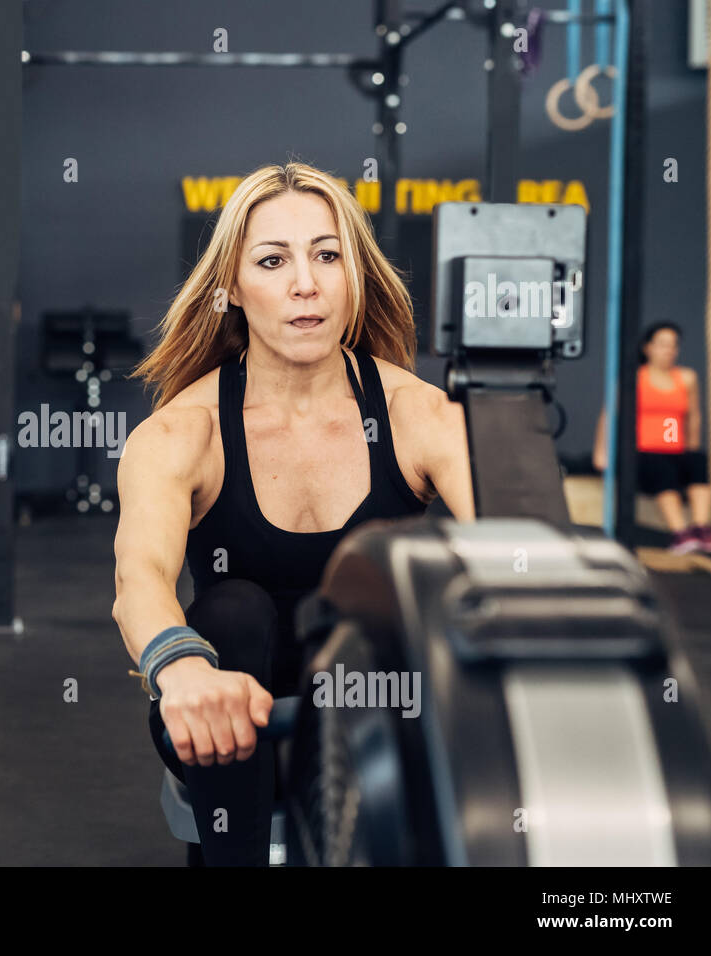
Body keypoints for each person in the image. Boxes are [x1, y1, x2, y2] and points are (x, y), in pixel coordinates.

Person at [111, 162, 474, 866]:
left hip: (378, 709)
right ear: (232, 288)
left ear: (354, 276)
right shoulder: (183, 433)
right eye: (272, 261)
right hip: (225, 714)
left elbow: (512, 550)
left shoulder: (419, 417)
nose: (305, 283)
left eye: (327, 255)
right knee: (231, 611)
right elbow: (141, 582)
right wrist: (181, 668)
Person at [592, 322, 711, 555]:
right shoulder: (634, 379)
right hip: (645, 452)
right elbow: (609, 415)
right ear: (648, 348)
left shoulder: (686, 378)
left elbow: (694, 417)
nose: (668, 350)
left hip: (674, 448)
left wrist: (691, 449)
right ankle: (680, 533)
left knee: (699, 462)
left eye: (673, 345)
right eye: (662, 345)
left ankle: (701, 528)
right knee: (660, 468)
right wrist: (601, 453)